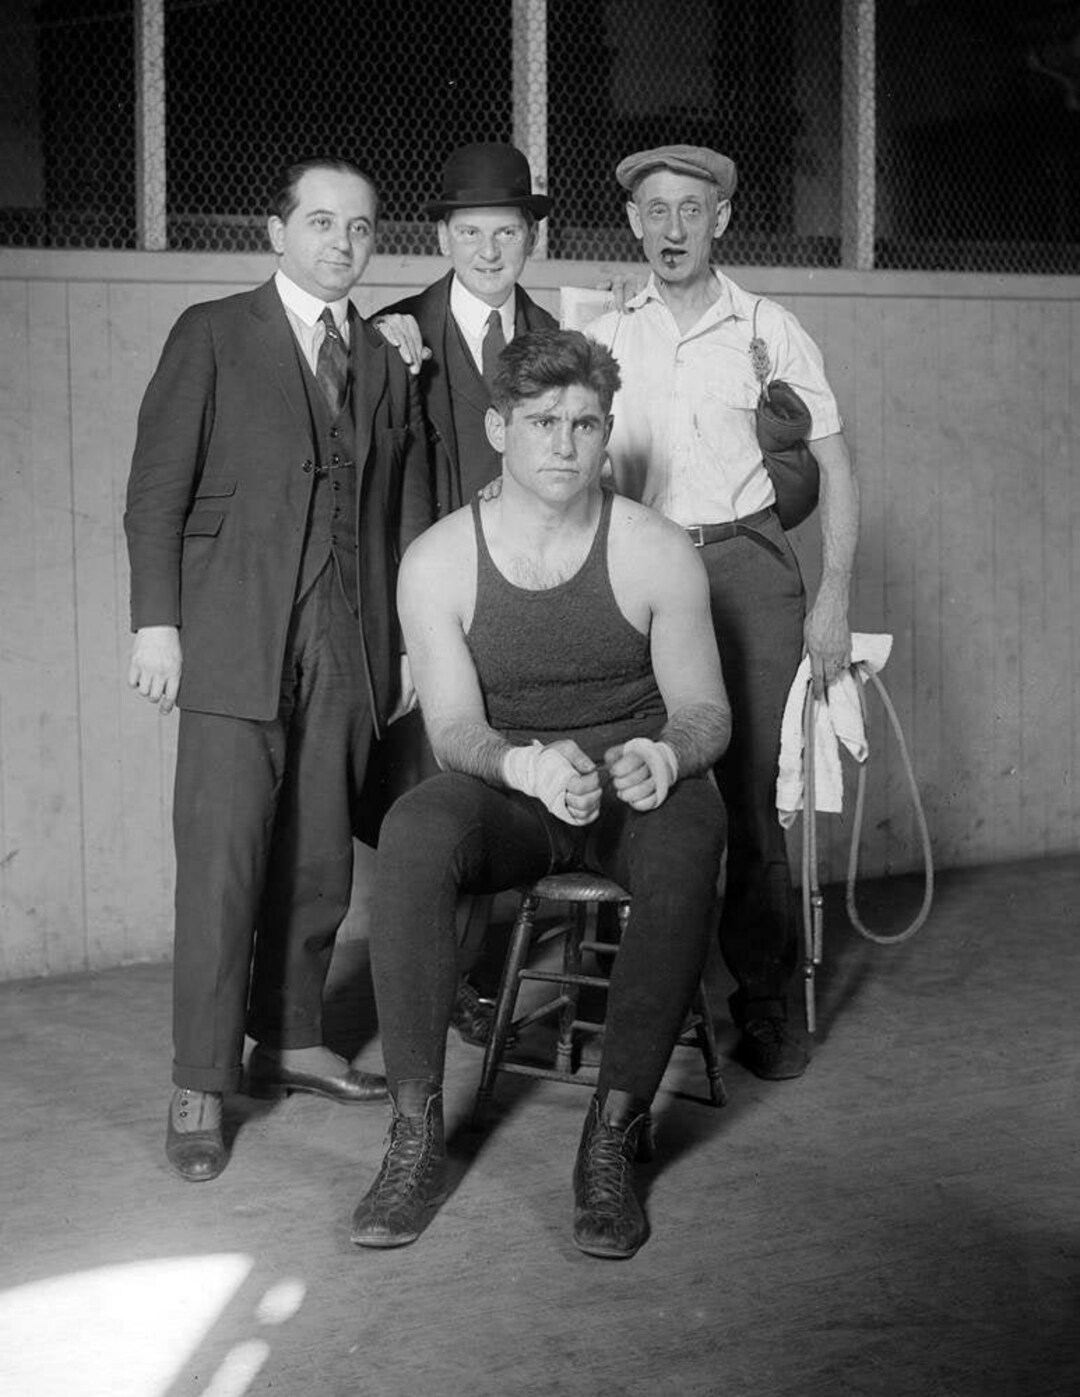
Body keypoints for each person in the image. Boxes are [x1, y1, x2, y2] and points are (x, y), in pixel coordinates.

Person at [350, 329, 730, 1259]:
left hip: (628, 785)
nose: (565, 442)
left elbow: (706, 708)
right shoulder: (439, 560)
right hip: (515, 791)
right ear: (499, 428)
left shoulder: (653, 549)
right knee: (414, 829)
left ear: (608, 434)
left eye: (586, 422)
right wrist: (522, 764)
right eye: (543, 421)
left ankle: (612, 1137)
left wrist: (667, 757)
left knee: (690, 832)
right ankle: (413, 1134)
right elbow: (451, 728)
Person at [124, 157, 433, 1183]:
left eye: (360, 227)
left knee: (314, 863)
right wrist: (156, 626)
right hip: (228, 637)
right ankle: (200, 1075)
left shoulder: (385, 362)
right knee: (220, 865)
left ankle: (291, 1037)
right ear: (276, 231)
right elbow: (155, 492)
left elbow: (395, 515)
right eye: (320, 222)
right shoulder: (213, 332)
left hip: (345, 641)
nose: (341, 243)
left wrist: (401, 644)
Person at [586, 145, 860, 1081]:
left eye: (690, 211)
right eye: (654, 211)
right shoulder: (608, 331)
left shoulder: (770, 328)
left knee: (749, 793)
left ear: (721, 221)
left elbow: (839, 468)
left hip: (746, 565)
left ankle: (765, 1002)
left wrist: (832, 598)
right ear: (633, 224)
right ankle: (644, 1008)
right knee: (637, 779)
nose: (671, 229)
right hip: (643, 570)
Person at [373, 142, 559, 1046]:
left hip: (528, 596)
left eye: (507, 233)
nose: (489, 250)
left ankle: (475, 983)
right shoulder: (395, 331)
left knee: (508, 782)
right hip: (434, 598)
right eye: (471, 231)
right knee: (431, 787)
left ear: (531, 239)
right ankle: (434, 984)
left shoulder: (560, 342)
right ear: (444, 235)